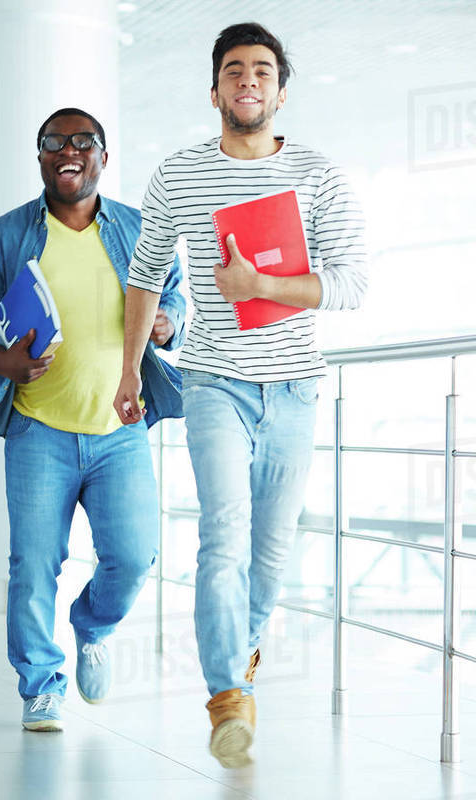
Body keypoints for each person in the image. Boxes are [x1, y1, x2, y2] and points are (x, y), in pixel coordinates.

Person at [113, 22, 368, 767]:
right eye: (234, 70)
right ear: (215, 90)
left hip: (295, 388)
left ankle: (242, 664)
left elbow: (352, 284)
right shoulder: (180, 175)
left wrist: (263, 287)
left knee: (272, 552)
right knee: (221, 532)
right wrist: (131, 369)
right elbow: (144, 274)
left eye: (262, 70)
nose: (248, 81)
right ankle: (228, 695)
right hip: (214, 381)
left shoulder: (319, 176)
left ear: (280, 91)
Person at [0, 108, 186, 732]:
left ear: (103, 158)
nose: (69, 151)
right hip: (39, 429)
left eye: (84, 142)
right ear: (40, 159)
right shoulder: (5, 237)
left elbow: (175, 295)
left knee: (135, 557)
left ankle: (93, 626)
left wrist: (169, 322)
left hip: (120, 431)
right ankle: (40, 684)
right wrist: (7, 360)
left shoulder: (138, 230)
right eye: (54, 143)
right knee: (33, 564)